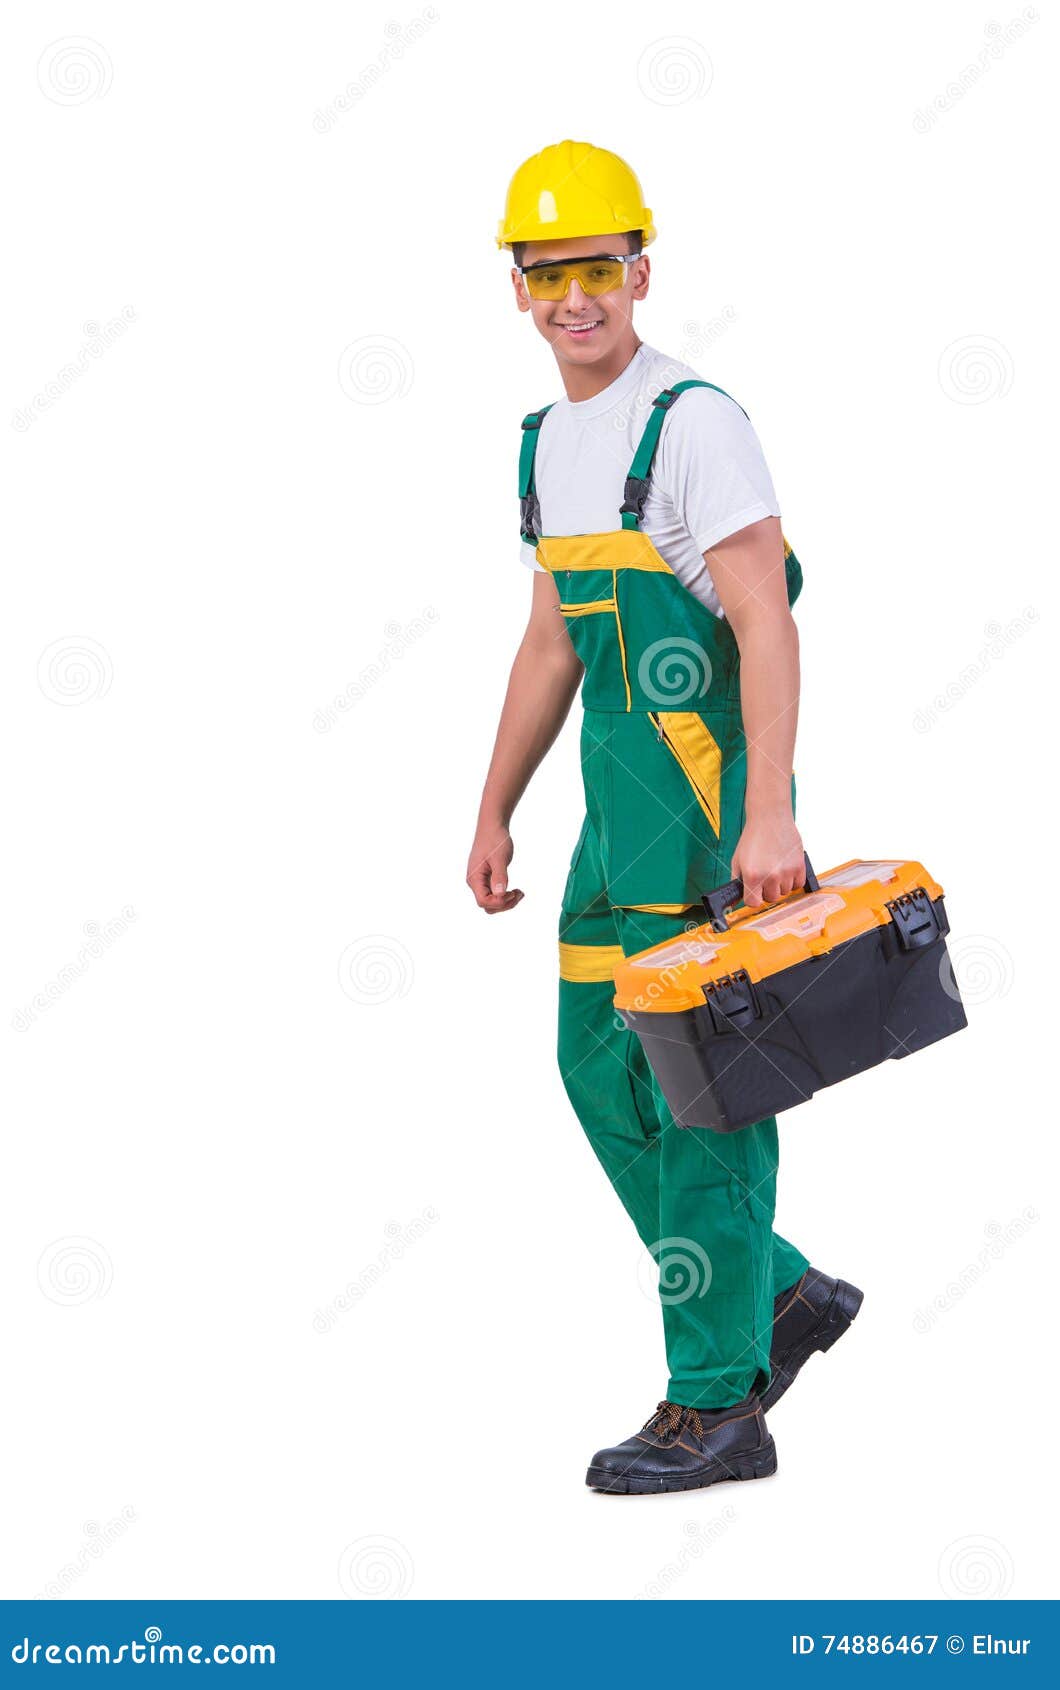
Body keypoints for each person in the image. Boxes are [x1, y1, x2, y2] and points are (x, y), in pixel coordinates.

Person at [467, 140, 862, 1495]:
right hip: (609, 819)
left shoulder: (692, 419)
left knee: (708, 1104)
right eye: (548, 271)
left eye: (598, 267)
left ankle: (717, 1404)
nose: (576, 295)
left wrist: (767, 820)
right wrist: (494, 803)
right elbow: (548, 645)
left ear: (640, 267)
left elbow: (764, 618)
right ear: (517, 285)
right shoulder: (547, 445)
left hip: (706, 815)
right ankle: (781, 1294)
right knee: (598, 1066)